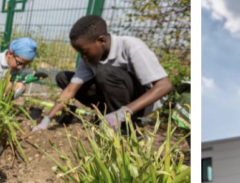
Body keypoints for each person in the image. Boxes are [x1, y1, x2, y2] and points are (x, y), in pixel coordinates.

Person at [37, 15, 173, 132]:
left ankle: (128, 127)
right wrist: (48, 119)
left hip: (141, 103)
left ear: (101, 40)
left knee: (104, 71)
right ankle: (107, 116)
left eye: (84, 51)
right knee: (63, 77)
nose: (82, 56)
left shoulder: (131, 46)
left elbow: (164, 86)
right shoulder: (88, 58)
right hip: (114, 100)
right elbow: (70, 90)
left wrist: (124, 112)